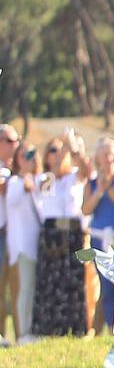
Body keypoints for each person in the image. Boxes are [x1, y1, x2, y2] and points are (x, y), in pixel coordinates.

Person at [32, 131, 91, 337]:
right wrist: (63, 153)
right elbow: (47, 188)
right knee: (51, 281)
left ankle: (76, 329)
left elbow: (86, 170)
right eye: (53, 151)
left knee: (74, 281)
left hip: (74, 232)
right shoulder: (45, 179)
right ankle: (50, 328)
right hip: (52, 233)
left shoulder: (75, 177)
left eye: (61, 150)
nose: (58, 155)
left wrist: (73, 149)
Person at [81, 137, 114, 332]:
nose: (107, 160)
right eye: (103, 156)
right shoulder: (92, 184)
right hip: (100, 239)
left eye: (110, 155)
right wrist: (99, 191)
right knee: (107, 286)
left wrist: (109, 188)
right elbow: (86, 209)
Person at [4, 142, 39, 344]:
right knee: (25, 288)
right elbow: (13, 200)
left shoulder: (39, 179)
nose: (28, 159)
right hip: (23, 246)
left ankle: (33, 328)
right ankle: (24, 332)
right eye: (23, 156)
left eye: (31, 155)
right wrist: (25, 176)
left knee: (35, 287)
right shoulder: (15, 182)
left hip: (40, 244)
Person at [0, 124, 17, 344]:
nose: (15, 145)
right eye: (10, 141)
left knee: (14, 286)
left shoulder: (20, 166)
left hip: (16, 234)